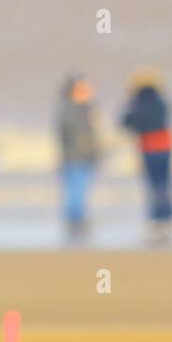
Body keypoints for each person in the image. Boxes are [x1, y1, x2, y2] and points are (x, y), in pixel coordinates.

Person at [120, 68, 172, 242]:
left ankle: (158, 220)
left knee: (153, 185)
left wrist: (132, 108)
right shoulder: (162, 102)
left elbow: (127, 123)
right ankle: (167, 218)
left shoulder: (138, 104)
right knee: (164, 184)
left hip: (149, 147)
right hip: (165, 146)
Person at [57, 74, 101, 241]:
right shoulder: (70, 109)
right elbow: (69, 132)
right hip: (74, 157)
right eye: (83, 89)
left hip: (85, 157)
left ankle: (78, 222)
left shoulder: (86, 108)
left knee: (80, 191)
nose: (88, 91)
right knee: (75, 192)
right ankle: (75, 223)